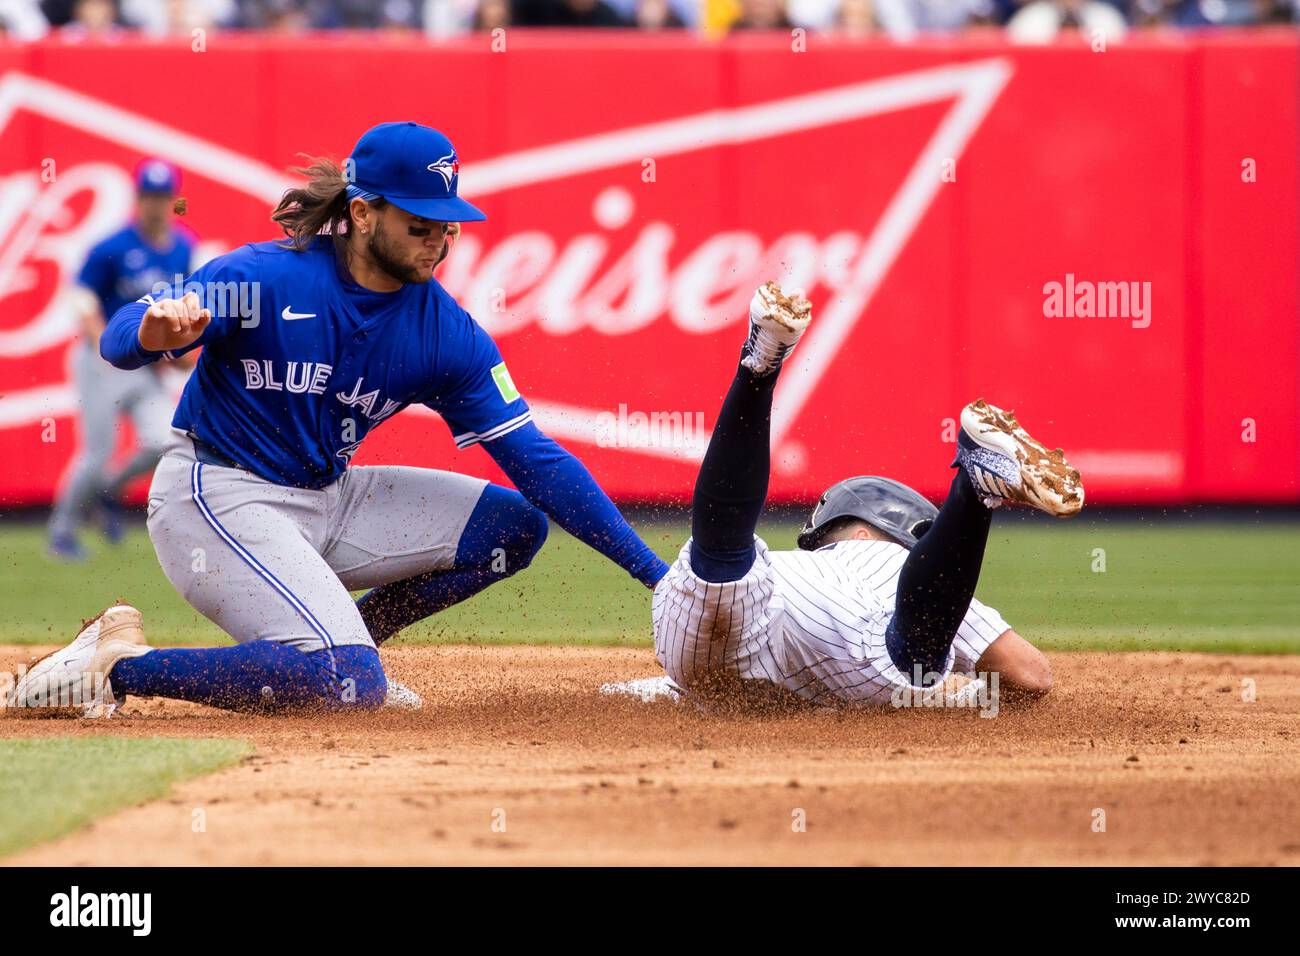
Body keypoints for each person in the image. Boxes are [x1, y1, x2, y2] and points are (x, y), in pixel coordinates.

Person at [10, 122, 667, 718]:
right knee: (338, 682)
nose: (437, 243)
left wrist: (660, 580)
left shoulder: (444, 332)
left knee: (513, 528)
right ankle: (115, 669)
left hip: (328, 498)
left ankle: (354, 644)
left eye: (448, 226)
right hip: (213, 496)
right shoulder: (265, 277)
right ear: (361, 212)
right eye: (419, 225)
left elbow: (536, 462)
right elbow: (120, 337)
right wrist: (155, 330)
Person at [647, 282, 1082, 711]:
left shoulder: (794, 564)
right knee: (914, 661)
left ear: (856, 531)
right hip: (843, 643)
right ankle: (974, 492)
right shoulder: (898, 569)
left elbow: (651, 688)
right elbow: (1030, 676)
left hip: (705, 640)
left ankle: (758, 365)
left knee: (720, 561)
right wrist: (953, 698)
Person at [48, 159, 195, 561]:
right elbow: (81, 297)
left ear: (174, 201)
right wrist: (102, 341)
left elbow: (178, 304)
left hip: (144, 364)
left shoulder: (183, 246)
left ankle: (107, 494)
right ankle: (61, 531)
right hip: (100, 362)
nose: (156, 204)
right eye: (149, 195)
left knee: (163, 439)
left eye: (163, 197)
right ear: (137, 198)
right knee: (96, 452)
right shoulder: (113, 246)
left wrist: (175, 349)